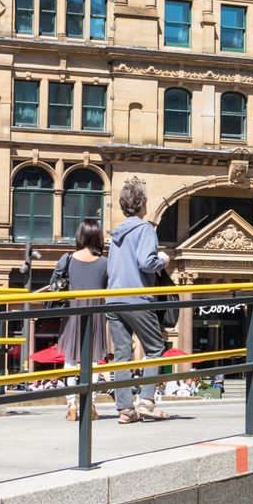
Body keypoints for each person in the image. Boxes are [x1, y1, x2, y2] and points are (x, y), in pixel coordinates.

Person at [106, 177, 173, 424]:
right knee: (155, 348)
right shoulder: (145, 229)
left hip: (113, 299)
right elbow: (146, 262)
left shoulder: (116, 234)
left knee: (122, 354)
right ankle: (146, 401)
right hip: (137, 297)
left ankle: (125, 409)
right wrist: (163, 260)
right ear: (142, 204)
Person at [55, 219, 112, 422]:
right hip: (96, 312)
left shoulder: (67, 259)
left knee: (70, 359)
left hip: (73, 312)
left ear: (80, 236)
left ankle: (71, 404)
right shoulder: (105, 262)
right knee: (95, 360)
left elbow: (54, 285)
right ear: (98, 237)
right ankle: (91, 404)